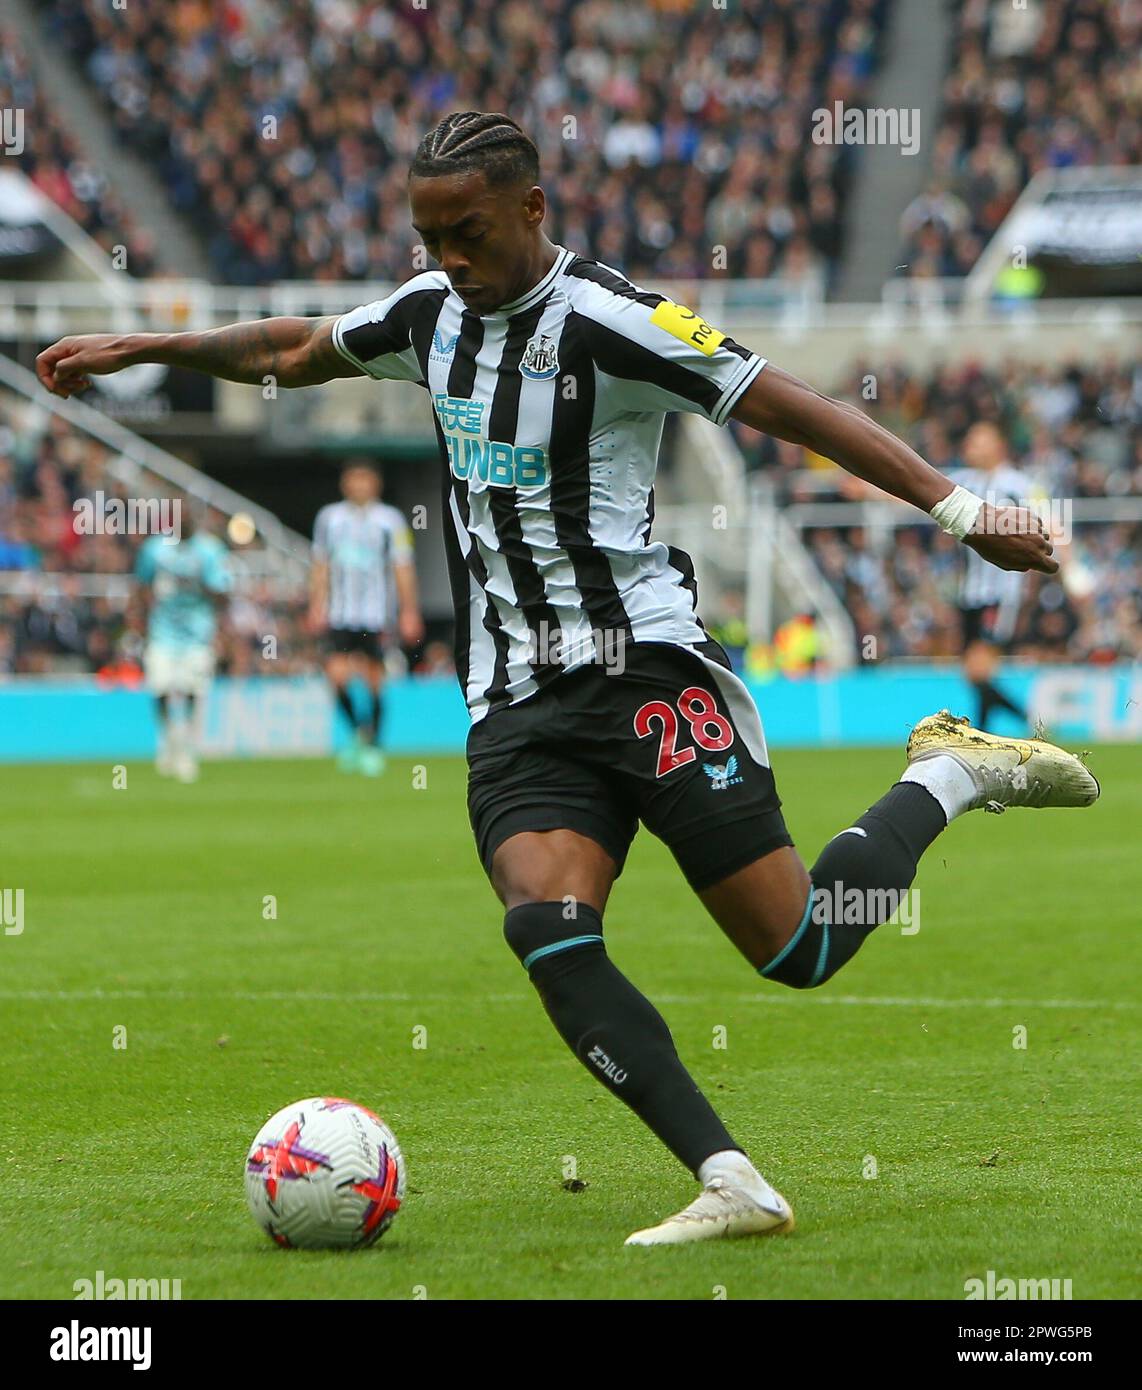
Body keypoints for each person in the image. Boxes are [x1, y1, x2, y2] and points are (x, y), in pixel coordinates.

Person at [35, 111, 1098, 1246]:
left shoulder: (614, 323)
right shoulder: (426, 317)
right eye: (426, 235)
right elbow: (289, 351)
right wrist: (145, 348)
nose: (446, 258)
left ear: (531, 210)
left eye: (468, 232)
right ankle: (729, 1177)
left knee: (797, 946)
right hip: (514, 704)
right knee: (544, 925)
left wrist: (959, 510)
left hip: (641, 671)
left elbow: (795, 407)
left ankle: (945, 776)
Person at [309, 461, 424, 775]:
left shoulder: (391, 521)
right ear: (345, 484)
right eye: (353, 479)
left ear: (376, 483)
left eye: (365, 479)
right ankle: (363, 734)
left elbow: (402, 567)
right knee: (335, 678)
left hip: (376, 615)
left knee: (374, 681)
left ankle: (372, 746)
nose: (359, 486)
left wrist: (409, 610)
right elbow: (321, 564)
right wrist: (316, 604)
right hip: (339, 613)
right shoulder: (329, 518)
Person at [135, 502, 231, 783]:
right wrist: (141, 620)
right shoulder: (155, 549)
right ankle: (168, 740)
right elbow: (141, 584)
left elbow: (223, 593)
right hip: (162, 632)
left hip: (198, 635)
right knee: (161, 687)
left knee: (192, 689)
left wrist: (203, 584)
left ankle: (186, 746)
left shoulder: (210, 550)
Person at [946, 421, 1032, 730]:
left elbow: (1053, 524)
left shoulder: (1018, 484)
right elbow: (917, 490)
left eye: (977, 439)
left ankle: (986, 733)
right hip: (971, 594)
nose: (969, 445)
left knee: (979, 670)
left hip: (1001, 592)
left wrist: (1073, 573)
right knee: (973, 674)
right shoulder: (964, 480)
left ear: (999, 445)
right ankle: (1010, 725)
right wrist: (871, 487)